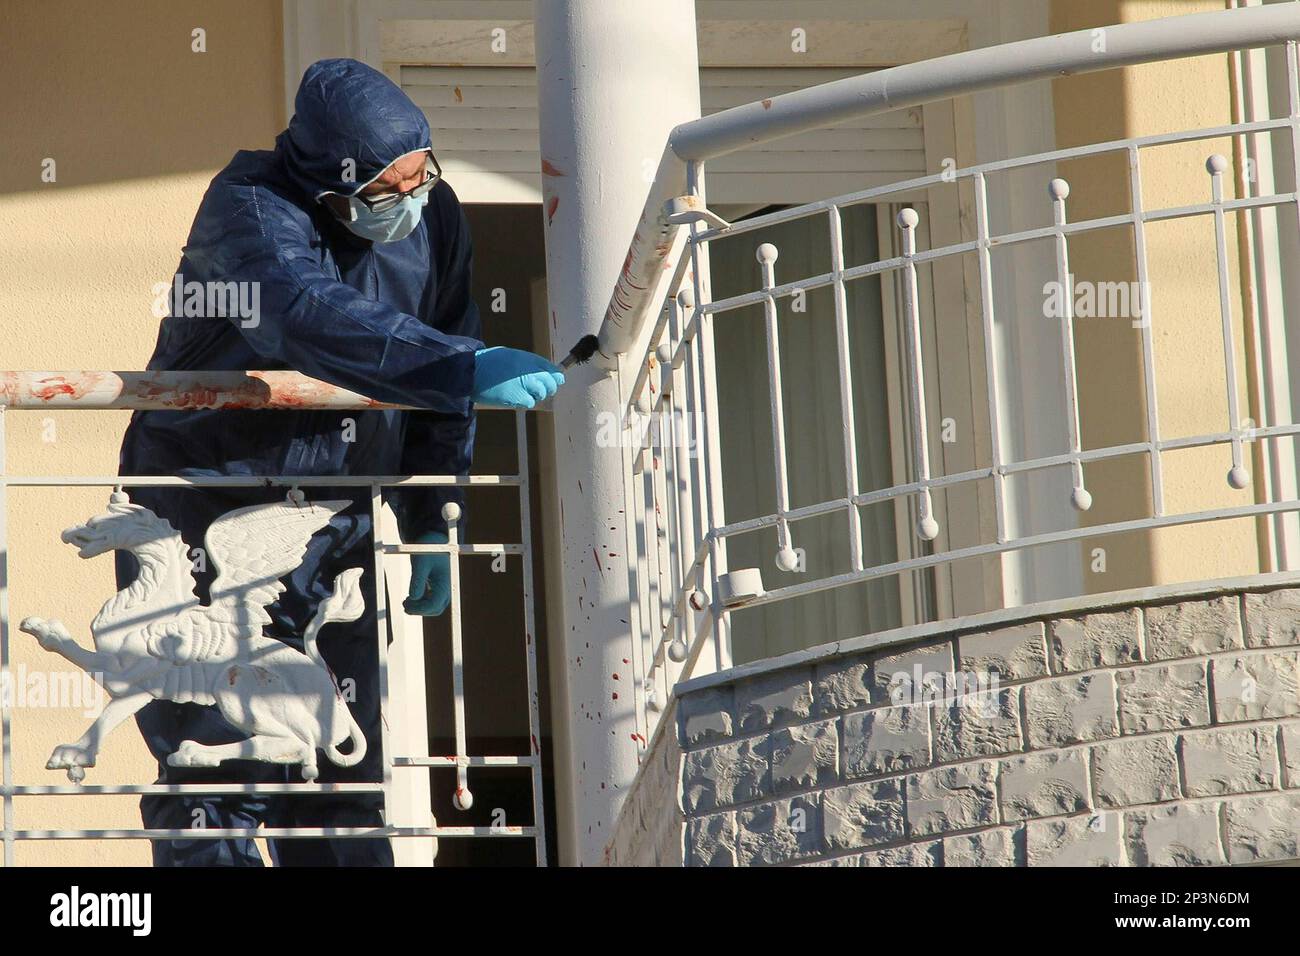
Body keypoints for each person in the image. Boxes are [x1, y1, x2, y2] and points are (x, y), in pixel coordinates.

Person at [116, 58, 564, 866]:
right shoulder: (248, 207)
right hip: (209, 514)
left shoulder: (434, 211)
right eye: (389, 192)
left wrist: (433, 515)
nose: (415, 197)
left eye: (424, 173)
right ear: (330, 189)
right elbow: (306, 316)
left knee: (341, 756)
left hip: (338, 514)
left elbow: (444, 356)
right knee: (221, 758)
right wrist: (454, 364)